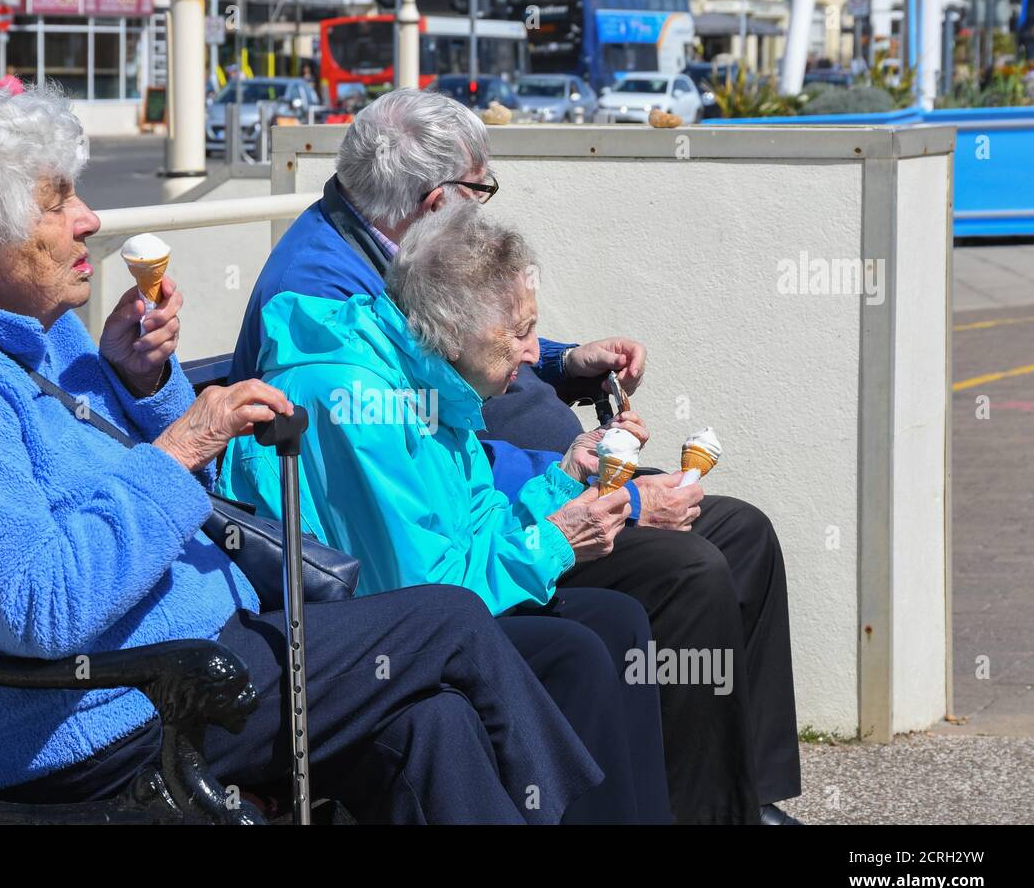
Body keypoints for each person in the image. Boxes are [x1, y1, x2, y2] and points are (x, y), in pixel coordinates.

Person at [0, 83, 617, 824]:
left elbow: (146, 477)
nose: (90, 220)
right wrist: (182, 442)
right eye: (59, 200)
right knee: (449, 620)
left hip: (199, 656)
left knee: (431, 721)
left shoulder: (42, 336)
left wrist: (146, 382)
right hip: (91, 719)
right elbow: (40, 605)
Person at [229, 87, 803, 825]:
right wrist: (571, 515)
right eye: (479, 190)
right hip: (414, 588)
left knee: (728, 540)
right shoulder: (363, 367)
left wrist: (563, 413)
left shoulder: (424, 337)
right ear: (434, 206)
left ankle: (730, 803)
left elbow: (464, 460)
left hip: (512, 505)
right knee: (650, 598)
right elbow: (428, 588)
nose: (532, 353)